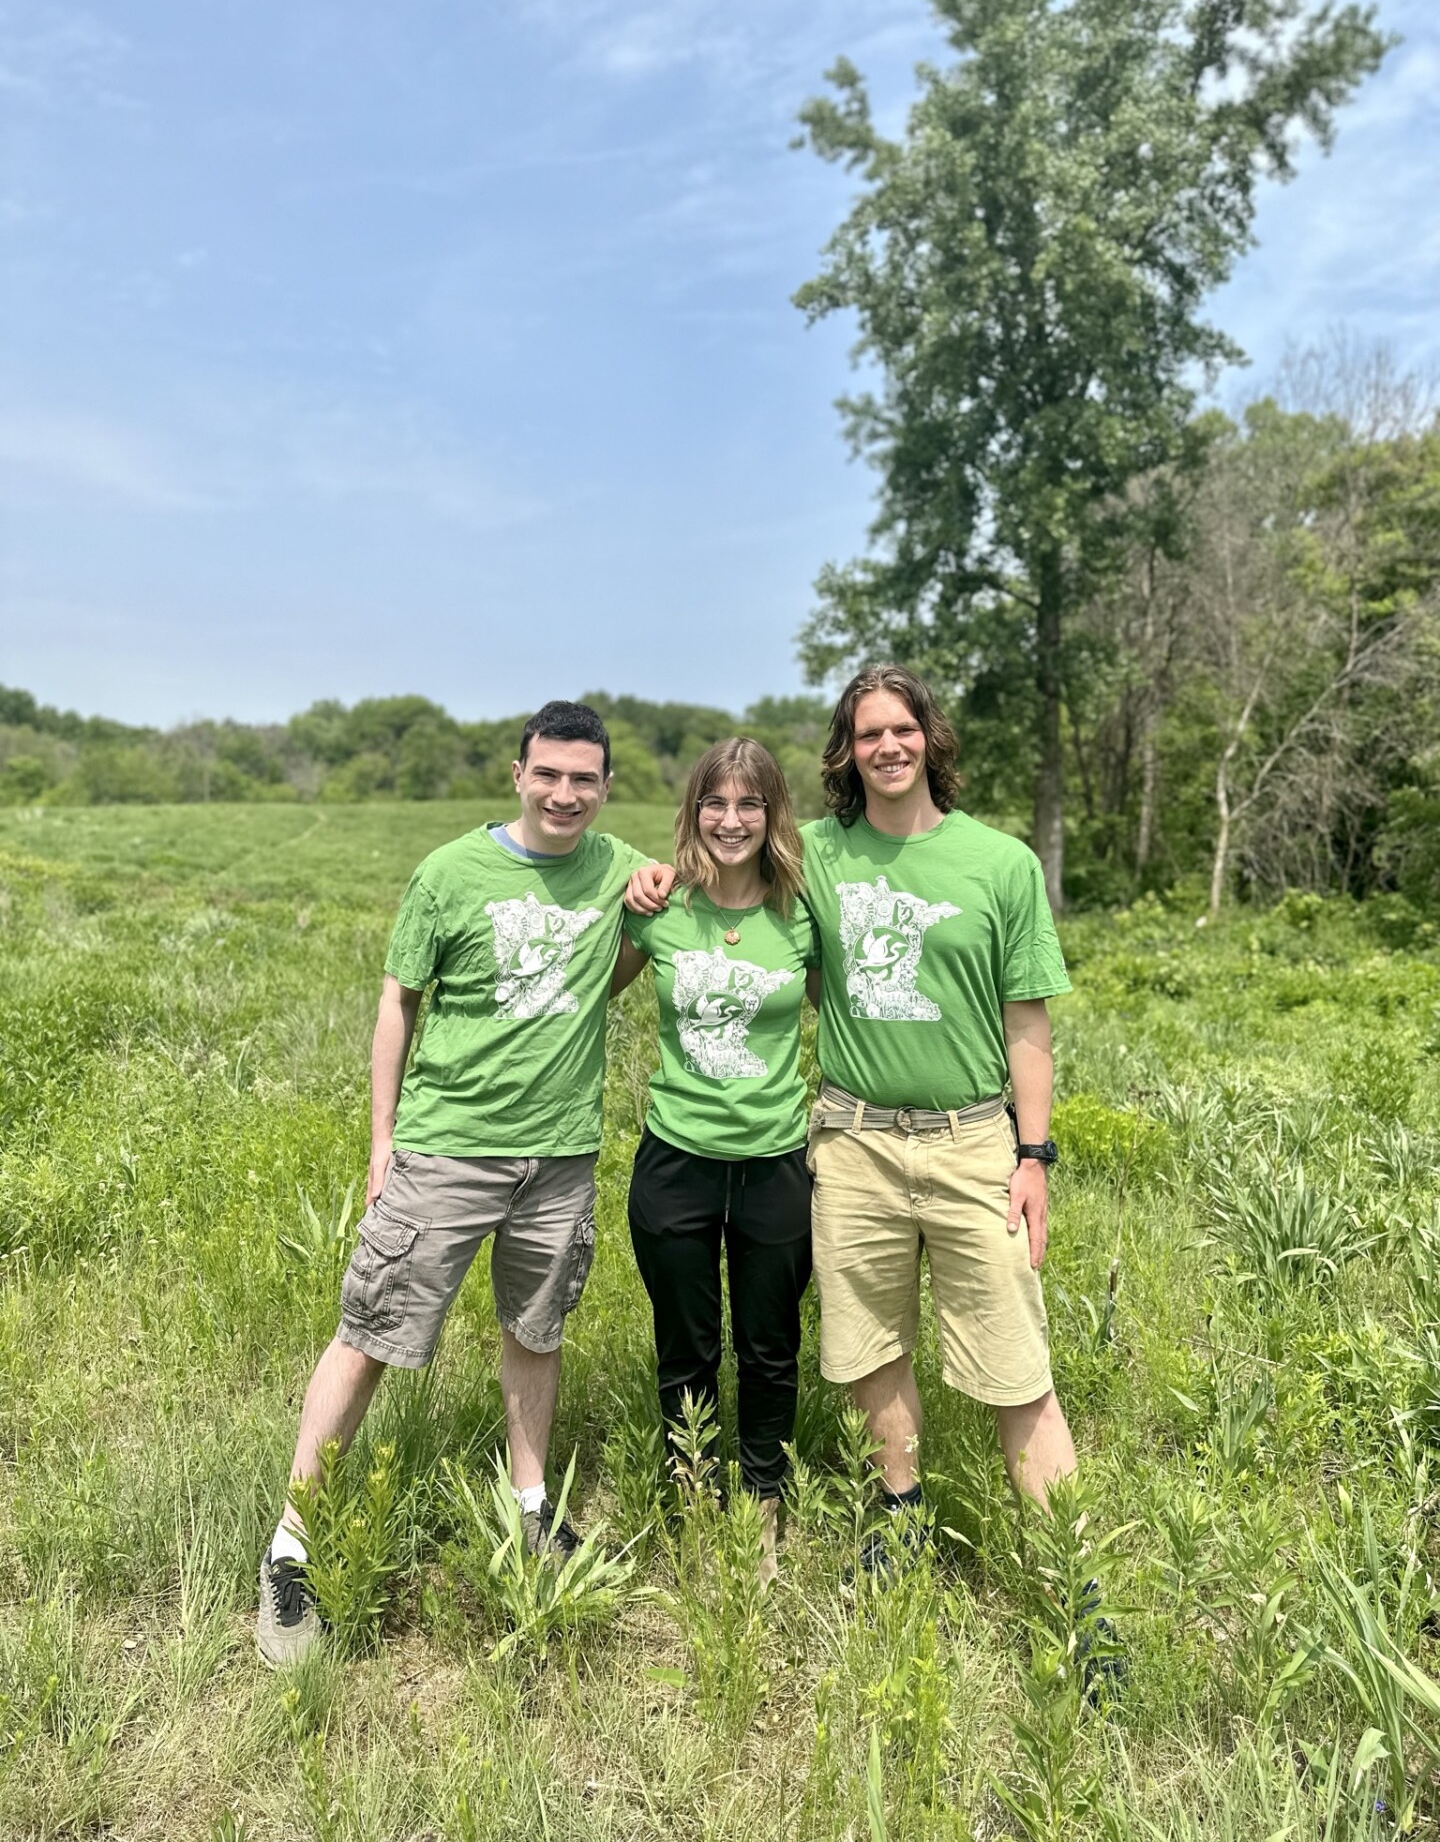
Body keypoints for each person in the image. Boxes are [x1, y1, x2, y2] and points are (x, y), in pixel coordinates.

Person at [626, 666, 1083, 1562]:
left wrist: (1033, 1155)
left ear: (930, 738)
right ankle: (899, 1516)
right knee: (871, 1344)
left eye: (902, 729)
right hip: (854, 1138)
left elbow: (1028, 1022)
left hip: (972, 1141)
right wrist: (653, 875)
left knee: (1016, 1362)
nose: (888, 747)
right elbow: (728, 856)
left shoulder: (1002, 863)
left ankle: (1074, 1574)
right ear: (847, 750)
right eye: (869, 733)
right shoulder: (814, 857)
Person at [257, 700, 652, 1667]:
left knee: (536, 1330)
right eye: (548, 774)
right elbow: (398, 1002)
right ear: (518, 775)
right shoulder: (448, 872)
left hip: (559, 1155)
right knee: (371, 1333)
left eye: (584, 779)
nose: (565, 794)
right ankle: (291, 1545)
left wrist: (643, 922)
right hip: (447, 1150)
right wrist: (383, 1140)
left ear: (606, 786)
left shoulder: (621, 869)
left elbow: (618, 966)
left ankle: (531, 1505)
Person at [612, 738, 817, 1588]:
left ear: (772, 814)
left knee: (770, 1348)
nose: (731, 821)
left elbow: (851, 1012)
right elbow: (589, 989)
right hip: (676, 1161)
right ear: (694, 811)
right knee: (686, 1347)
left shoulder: (802, 913)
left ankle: (763, 1504)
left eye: (749, 804)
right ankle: (695, 1498)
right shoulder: (659, 908)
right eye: (715, 803)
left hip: (775, 1162)